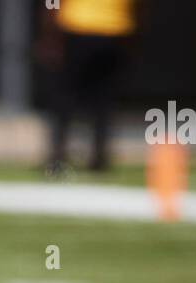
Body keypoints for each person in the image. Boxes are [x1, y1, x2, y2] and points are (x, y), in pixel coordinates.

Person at [40, 0, 139, 172]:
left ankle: (58, 154)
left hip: (77, 28)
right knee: (104, 98)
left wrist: (50, 32)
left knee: (65, 95)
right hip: (115, 30)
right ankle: (99, 156)